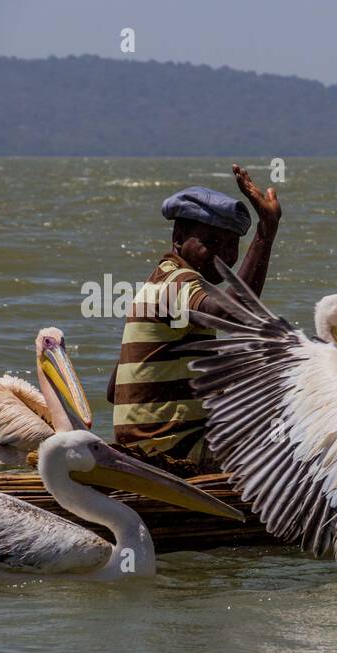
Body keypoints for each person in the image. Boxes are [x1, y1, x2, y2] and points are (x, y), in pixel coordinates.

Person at [108, 164, 281, 466]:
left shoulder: (155, 284)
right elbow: (229, 317)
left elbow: (115, 390)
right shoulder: (178, 282)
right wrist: (265, 233)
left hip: (148, 447)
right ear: (178, 238)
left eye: (231, 246)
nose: (224, 257)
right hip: (172, 452)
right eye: (210, 243)